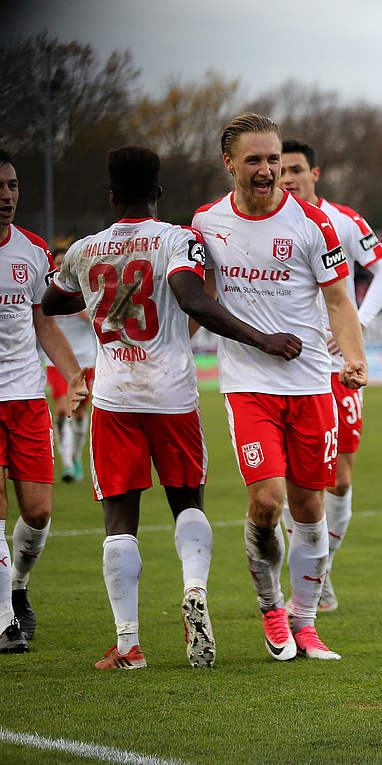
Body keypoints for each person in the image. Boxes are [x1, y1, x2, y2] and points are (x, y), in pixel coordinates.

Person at [42, 145, 302, 669]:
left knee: (119, 520)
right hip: (173, 396)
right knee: (187, 504)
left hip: (115, 398)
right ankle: (194, 590)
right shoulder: (177, 239)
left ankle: (128, 644)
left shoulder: (85, 250)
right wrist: (263, 338)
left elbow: (51, 302)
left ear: (112, 197)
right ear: (158, 193)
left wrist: (97, 290)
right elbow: (191, 298)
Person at [192, 113, 368, 663]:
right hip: (247, 384)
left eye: (273, 159)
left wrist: (354, 358)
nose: (267, 169)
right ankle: (271, 608)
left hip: (311, 385)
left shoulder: (314, 223)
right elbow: (198, 299)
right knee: (267, 503)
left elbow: (338, 300)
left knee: (310, 508)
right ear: (230, 163)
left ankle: (306, 621)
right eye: (255, 160)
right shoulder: (206, 223)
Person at [279, 138, 382, 612]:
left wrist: (358, 324)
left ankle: (321, 568)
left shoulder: (344, 221)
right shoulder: (271, 224)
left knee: (340, 479)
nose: (287, 178)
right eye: (281, 170)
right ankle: (308, 578)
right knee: (292, 478)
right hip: (289, 367)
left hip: (338, 368)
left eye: (295, 169)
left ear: (314, 173)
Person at [0, 148, 86, 654]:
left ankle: (17, 587)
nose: (7, 195)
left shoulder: (32, 249)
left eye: (12, 186)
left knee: (38, 512)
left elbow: (44, 323)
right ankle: (5, 621)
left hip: (27, 397)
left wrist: (72, 374)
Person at [46, 244, 98, 484]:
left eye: (65, 263)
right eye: (58, 263)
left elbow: (104, 323)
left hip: (85, 360)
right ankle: (67, 464)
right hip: (56, 361)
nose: (62, 267)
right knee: (61, 409)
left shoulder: (87, 289)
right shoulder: (47, 292)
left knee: (79, 413)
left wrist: (88, 316)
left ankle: (76, 457)